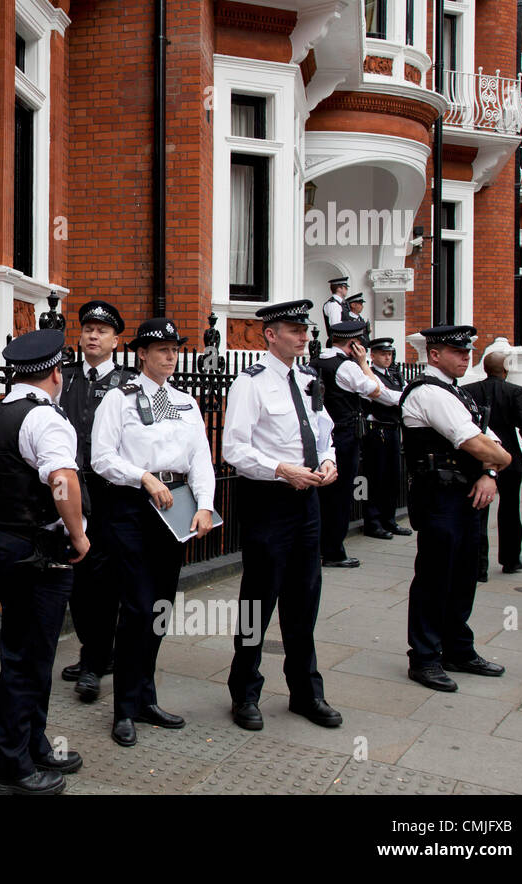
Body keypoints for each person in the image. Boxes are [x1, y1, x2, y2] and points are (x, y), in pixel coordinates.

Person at [0, 329, 89, 795]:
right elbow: (62, 480)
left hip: (2, 543)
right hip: (37, 551)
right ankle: (10, 769)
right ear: (56, 373)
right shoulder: (45, 419)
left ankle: (33, 744)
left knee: (32, 653)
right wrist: (77, 534)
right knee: (26, 657)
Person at [90, 317, 215, 748]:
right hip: (132, 507)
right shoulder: (118, 400)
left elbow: (201, 458)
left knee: (160, 608)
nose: (170, 356)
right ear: (141, 354)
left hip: (175, 506)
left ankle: (145, 697)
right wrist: (143, 476)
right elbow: (101, 458)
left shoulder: (185, 402)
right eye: (161, 349)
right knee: (139, 608)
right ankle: (123, 708)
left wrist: (205, 505)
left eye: (175, 349)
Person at [222, 299, 343, 732]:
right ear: (270, 335)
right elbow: (233, 448)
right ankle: (245, 691)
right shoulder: (250, 383)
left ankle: (306, 693)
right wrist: (280, 469)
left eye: (306, 329)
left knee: (305, 597)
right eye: (294, 329)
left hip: (307, 499)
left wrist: (329, 461)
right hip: (269, 500)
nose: (305, 335)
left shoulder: (309, 378)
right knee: (259, 598)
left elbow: (323, 432)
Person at [401, 325, 513, 692]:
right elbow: (477, 443)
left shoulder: (458, 394)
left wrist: (491, 472)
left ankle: (458, 649)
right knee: (435, 576)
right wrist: (501, 459)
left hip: (467, 494)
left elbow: (488, 442)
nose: (467, 357)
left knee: (464, 574)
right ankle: (425, 657)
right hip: (439, 497)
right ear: (434, 355)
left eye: (468, 352)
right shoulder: (431, 394)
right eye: (458, 352)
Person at [58, 300, 132, 703]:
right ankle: (98, 653)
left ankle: (94, 661)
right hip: (70, 493)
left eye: (102, 330)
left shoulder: (127, 384)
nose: (92, 335)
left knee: (103, 580)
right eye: (87, 328)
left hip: (108, 493)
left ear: (115, 341)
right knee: (78, 578)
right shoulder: (65, 379)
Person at [311, 318, 389, 567]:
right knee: (341, 493)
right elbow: (376, 390)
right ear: (354, 344)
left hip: (321, 435)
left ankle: (317, 547)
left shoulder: (316, 361)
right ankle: (334, 550)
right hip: (344, 436)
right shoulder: (348, 367)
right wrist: (365, 363)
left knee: (321, 493)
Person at [463, 351, 522, 580]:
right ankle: (511, 559)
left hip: (481, 456)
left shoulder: (470, 390)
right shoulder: (515, 391)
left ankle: (479, 567)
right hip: (509, 457)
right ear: (505, 370)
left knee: (479, 510)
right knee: (510, 509)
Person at [361, 338, 412, 540]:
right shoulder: (369, 375)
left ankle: (389, 520)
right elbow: (386, 396)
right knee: (377, 477)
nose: (388, 358)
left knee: (393, 476)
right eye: (383, 354)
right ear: (372, 356)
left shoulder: (396, 374)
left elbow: (405, 393)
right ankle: (373, 523)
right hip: (377, 429)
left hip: (393, 428)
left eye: (390, 354)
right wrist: (401, 397)